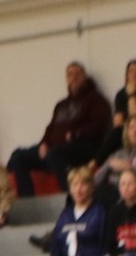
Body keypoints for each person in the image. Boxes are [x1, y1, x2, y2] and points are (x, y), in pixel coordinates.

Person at [8, 62, 113, 195]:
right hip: (56, 150)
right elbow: (51, 127)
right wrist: (44, 143)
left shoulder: (97, 100)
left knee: (55, 154)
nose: (74, 77)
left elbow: (99, 127)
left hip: (83, 149)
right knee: (18, 157)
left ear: (85, 77)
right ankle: (27, 200)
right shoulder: (61, 104)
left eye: (78, 74)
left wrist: (76, 134)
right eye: (70, 74)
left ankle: (71, 194)